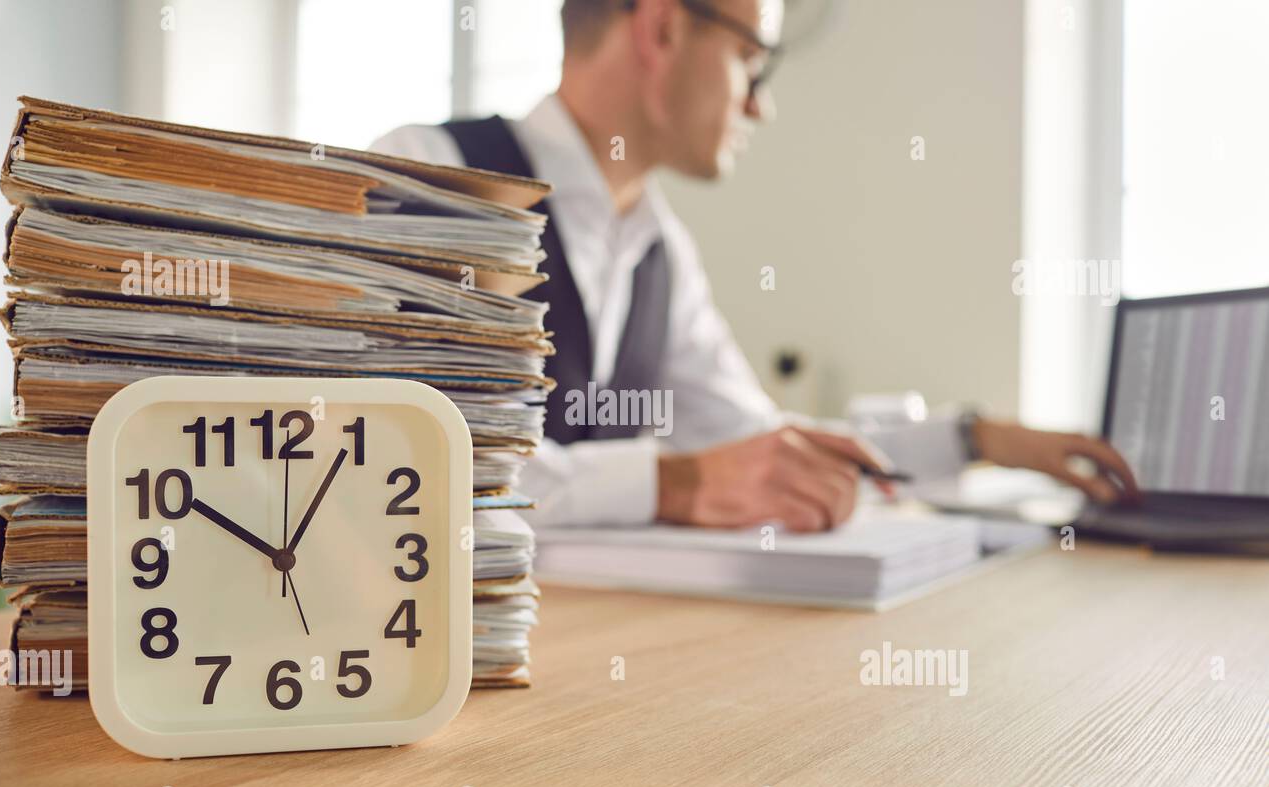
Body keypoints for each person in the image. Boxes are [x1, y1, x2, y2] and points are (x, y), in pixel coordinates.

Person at [372, 0, 1138, 531]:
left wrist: (975, 439)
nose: (761, 107)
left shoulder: (660, 252)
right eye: (750, 60)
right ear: (663, 27)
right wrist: (679, 483)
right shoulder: (432, 174)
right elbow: (405, 468)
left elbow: (763, 444)